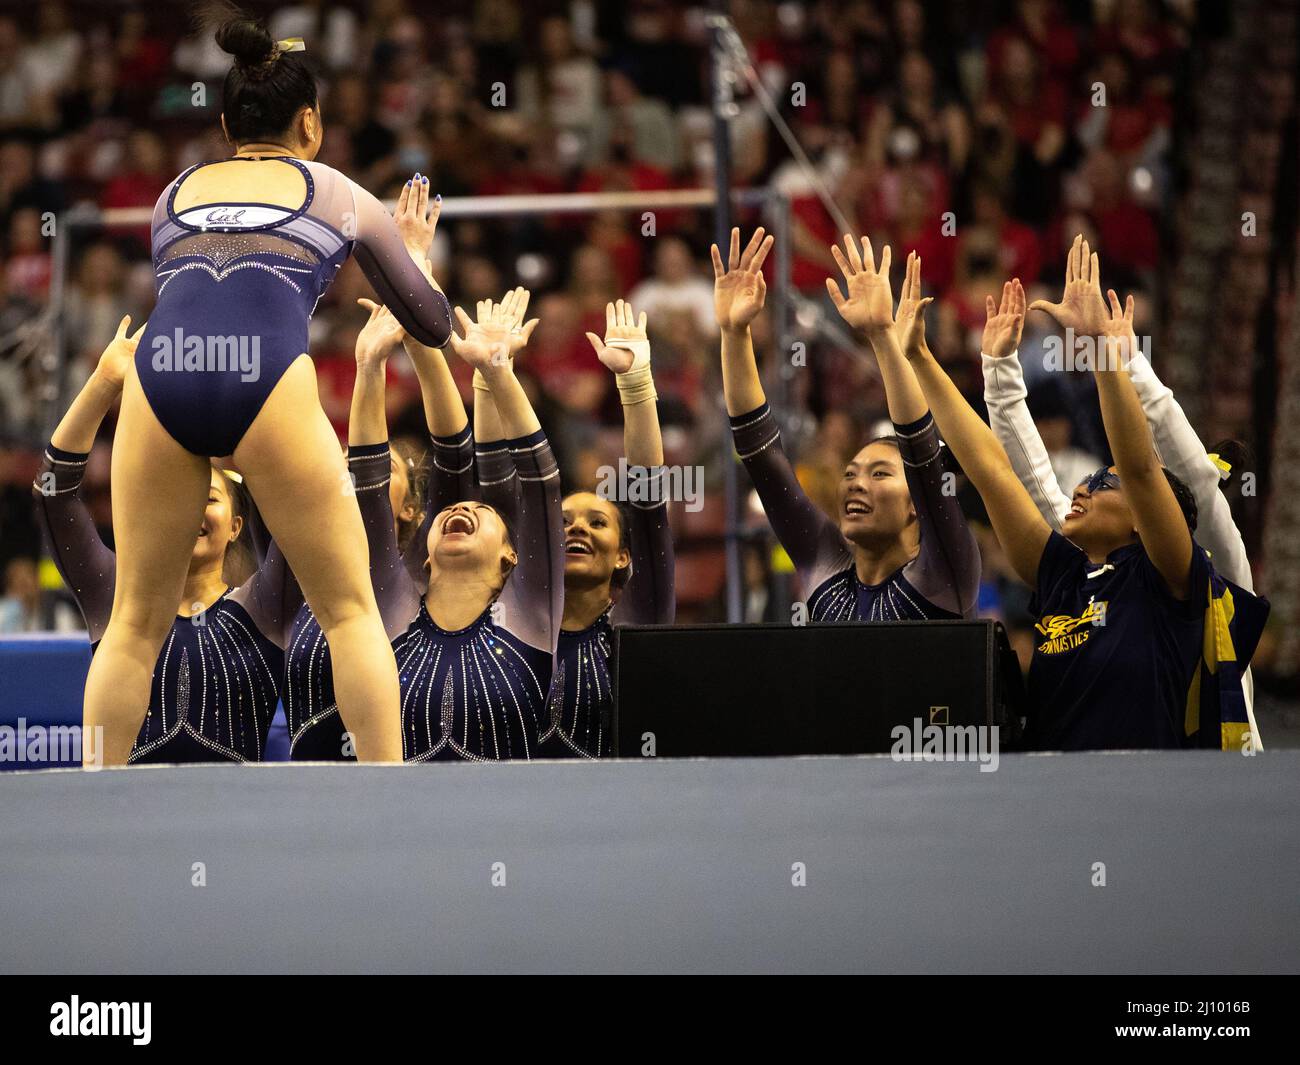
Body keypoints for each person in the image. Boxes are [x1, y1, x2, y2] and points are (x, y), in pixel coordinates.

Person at [82, 12, 452, 765]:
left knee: (132, 623)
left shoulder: (172, 194)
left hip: (165, 370)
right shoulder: (340, 193)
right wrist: (414, 254)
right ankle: (390, 799)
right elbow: (432, 323)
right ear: (309, 122)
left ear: (225, 123)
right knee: (349, 611)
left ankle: (96, 788)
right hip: (265, 375)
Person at [904, 236, 1265, 749]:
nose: (1083, 485)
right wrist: (919, 358)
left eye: (1103, 481)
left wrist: (1103, 349)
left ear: (1145, 518)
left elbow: (1141, 470)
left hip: (1152, 810)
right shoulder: (1063, 574)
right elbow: (994, 472)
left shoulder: (1169, 579)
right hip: (1056, 809)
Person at [34, 318, 299, 762]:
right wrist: (103, 384)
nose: (192, 509)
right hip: (130, 819)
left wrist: (251, 420)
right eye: (179, 498)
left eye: (210, 498)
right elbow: (51, 494)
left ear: (236, 525)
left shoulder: (265, 606)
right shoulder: (115, 595)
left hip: (236, 822)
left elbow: (296, 505)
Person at [717, 226, 980, 621]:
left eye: (879, 474)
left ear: (916, 506)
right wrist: (735, 334)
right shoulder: (826, 567)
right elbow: (762, 456)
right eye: (852, 473)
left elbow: (921, 449)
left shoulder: (943, 574)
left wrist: (881, 334)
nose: (857, 483)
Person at [533, 299, 675, 759]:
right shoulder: (518, 625)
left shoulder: (638, 619)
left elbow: (649, 497)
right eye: (565, 522)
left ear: (623, 557)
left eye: (597, 523)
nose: (578, 530)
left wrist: (634, 383)